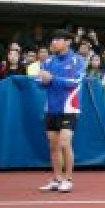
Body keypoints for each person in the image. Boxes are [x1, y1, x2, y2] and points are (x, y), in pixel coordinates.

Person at [38, 30, 86, 193]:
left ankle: (69, 179)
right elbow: (40, 83)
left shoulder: (77, 60)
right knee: (53, 146)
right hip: (51, 108)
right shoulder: (48, 61)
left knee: (65, 142)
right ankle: (57, 179)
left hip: (69, 107)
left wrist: (52, 79)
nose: (54, 42)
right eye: (53, 39)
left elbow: (75, 82)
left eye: (58, 39)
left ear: (68, 42)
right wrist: (43, 80)